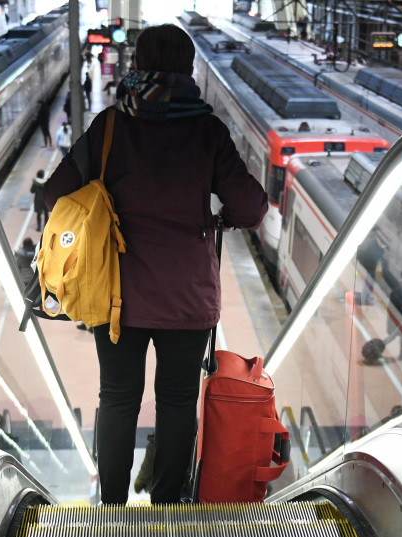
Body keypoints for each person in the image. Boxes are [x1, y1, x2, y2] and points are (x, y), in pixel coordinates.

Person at [43, 24, 267, 505]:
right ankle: (168, 505)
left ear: (136, 66)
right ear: (188, 68)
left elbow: (51, 193)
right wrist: (217, 216)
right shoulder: (207, 131)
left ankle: (112, 508)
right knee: (178, 400)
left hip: (115, 294)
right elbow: (250, 208)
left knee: (118, 399)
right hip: (187, 297)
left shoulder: (109, 126)